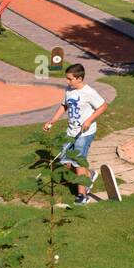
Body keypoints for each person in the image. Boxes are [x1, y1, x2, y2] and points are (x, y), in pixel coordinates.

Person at [42, 64, 108, 205]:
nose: (67, 82)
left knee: (78, 162)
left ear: (79, 78)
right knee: (65, 162)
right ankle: (89, 175)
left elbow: (103, 106)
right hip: (70, 131)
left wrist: (89, 120)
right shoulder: (69, 90)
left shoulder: (89, 92)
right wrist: (52, 121)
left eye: (69, 79)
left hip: (84, 133)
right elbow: (64, 105)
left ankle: (82, 195)